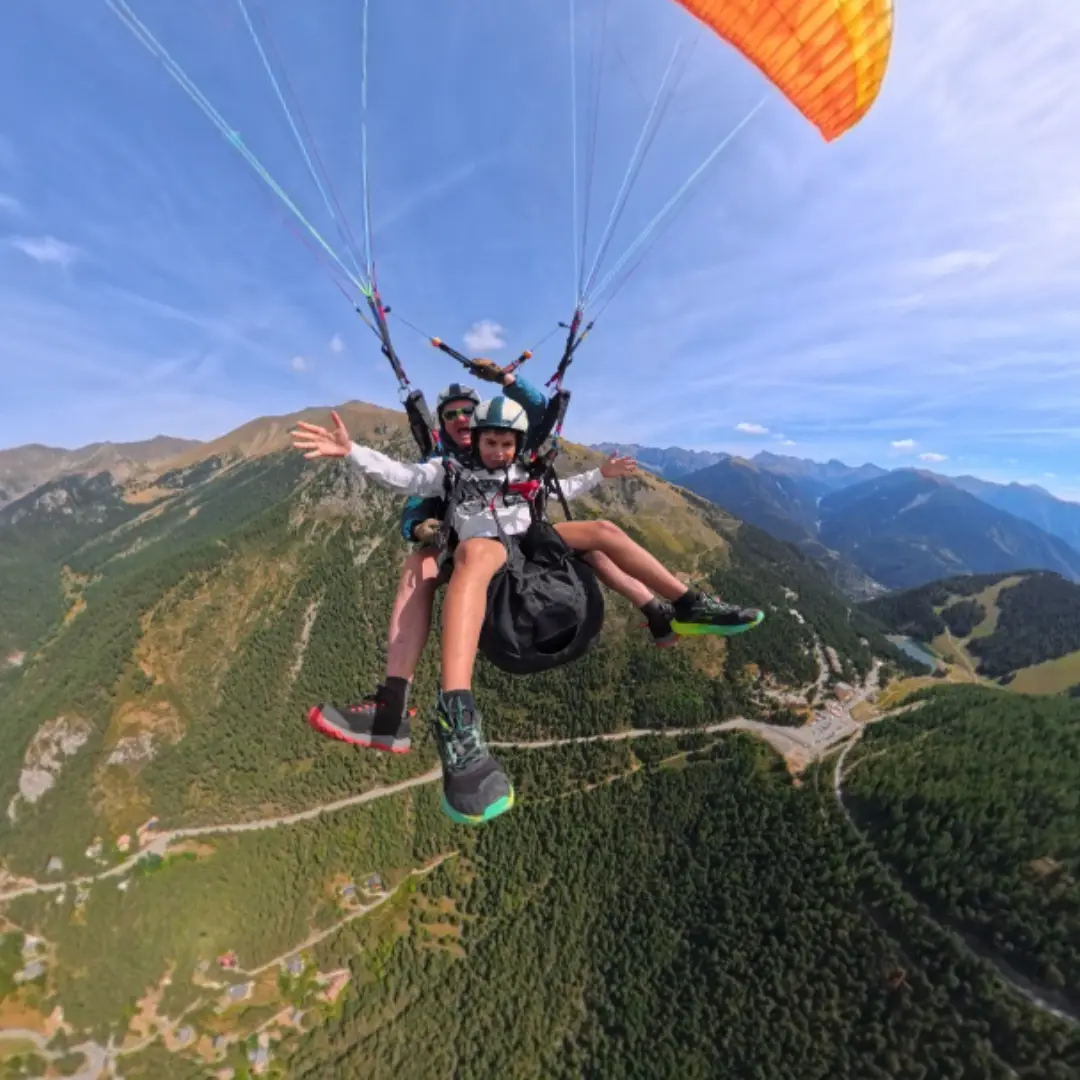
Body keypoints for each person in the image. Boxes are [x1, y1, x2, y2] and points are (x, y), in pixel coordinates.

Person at [291, 399, 764, 826]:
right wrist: (352, 453)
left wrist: (602, 475)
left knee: (601, 529)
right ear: (476, 442)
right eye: (491, 442)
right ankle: (457, 717)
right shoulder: (449, 472)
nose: (498, 451)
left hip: (531, 543)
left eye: (506, 444)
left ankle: (688, 605)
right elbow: (403, 477)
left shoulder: (522, 475)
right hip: (490, 550)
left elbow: (567, 484)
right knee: (475, 552)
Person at [308, 361, 681, 757]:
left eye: (466, 412)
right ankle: (394, 705)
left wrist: (507, 380)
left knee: (593, 544)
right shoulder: (442, 462)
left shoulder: (510, 448)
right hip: (470, 545)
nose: (460, 419)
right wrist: (417, 525)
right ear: (443, 424)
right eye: (450, 414)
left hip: (522, 535)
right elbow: (410, 487)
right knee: (420, 566)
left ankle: (660, 610)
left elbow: (541, 417)